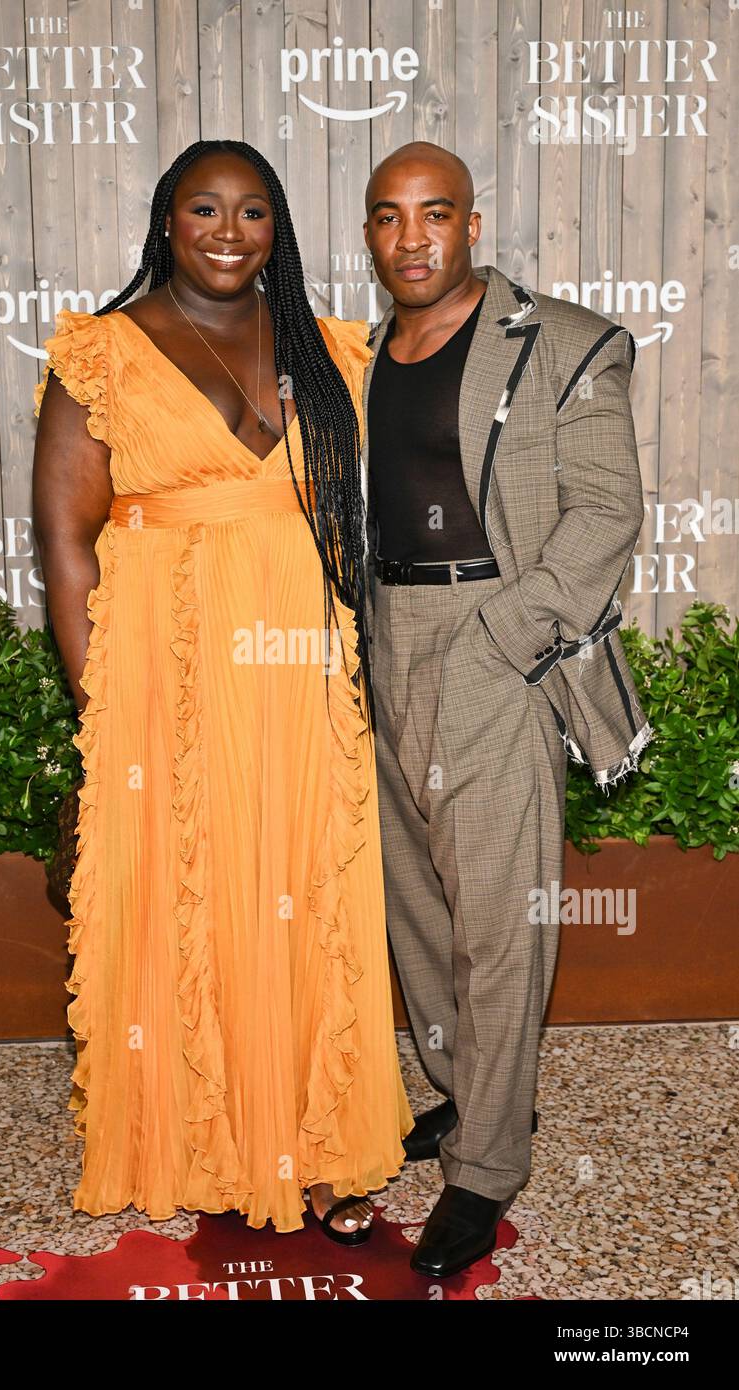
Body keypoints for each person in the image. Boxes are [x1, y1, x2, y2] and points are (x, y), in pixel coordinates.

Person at [32, 139, 413, 1241]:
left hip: (297, 664)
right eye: (204, 208)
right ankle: (196, 1135)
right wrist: (102, 702)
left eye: (252, 213)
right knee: (187, 885)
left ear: (276, 232)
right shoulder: (100, 353)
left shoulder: (326, 349)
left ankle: (315, 1134)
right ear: (166, 220)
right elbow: (65, 540)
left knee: (301, 878)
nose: (228, 232)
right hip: (165, 670)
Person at [360, 141, 652, 1277]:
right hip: (383, 638)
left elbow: (603, 518)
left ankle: (486, 1164)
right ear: (370, 233)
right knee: (418, 902)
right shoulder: (353, 354)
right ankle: (457, 1090)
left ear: (471, 225)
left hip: (497, 638)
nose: (411, 239)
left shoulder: (567, 344)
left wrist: (501, 639)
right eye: (387, 219)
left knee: (496, 913)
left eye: (434, 215)